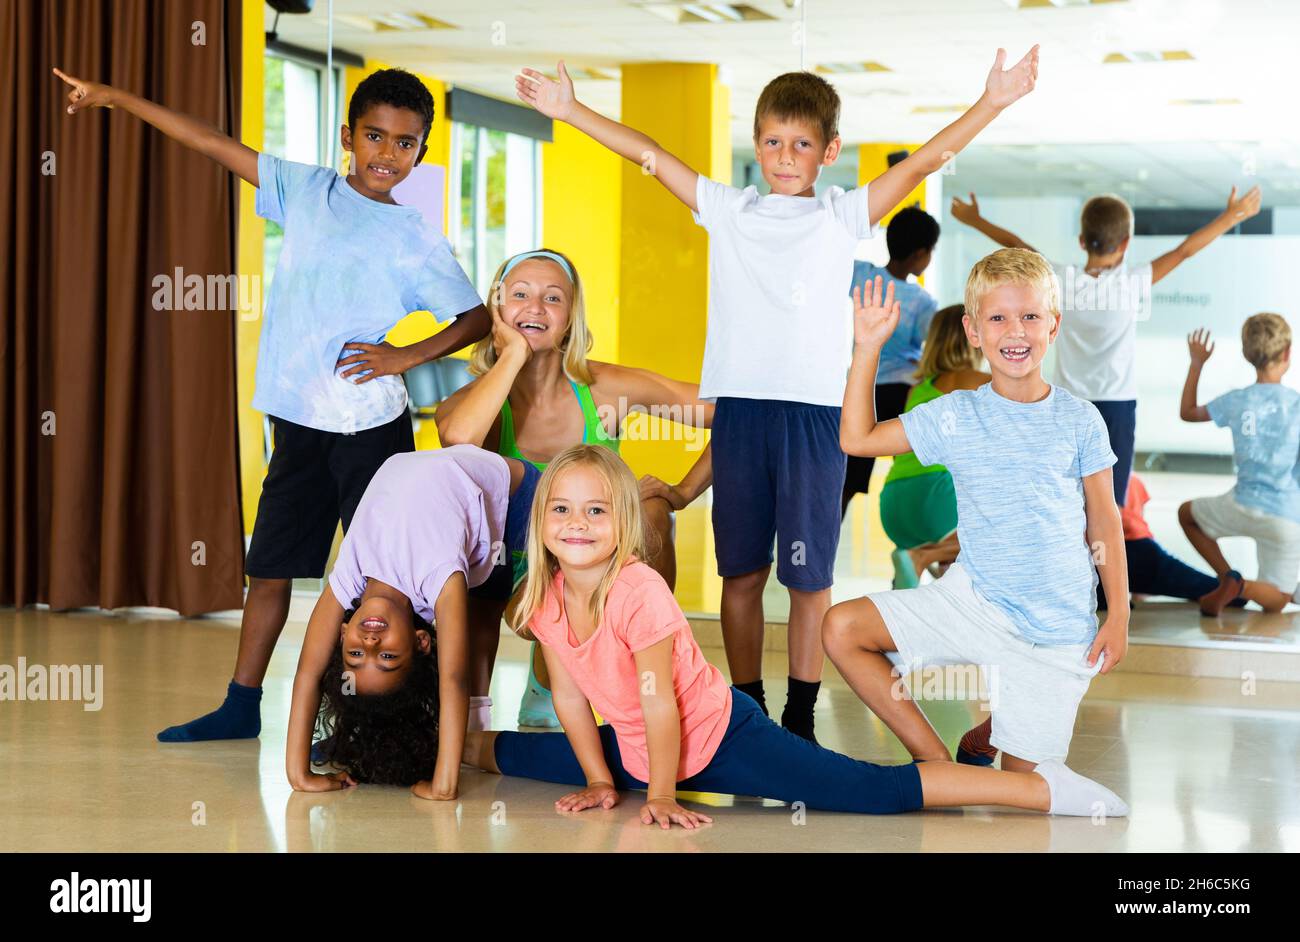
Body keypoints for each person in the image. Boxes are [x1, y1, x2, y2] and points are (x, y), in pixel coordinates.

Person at [515, 47, 1039, 741]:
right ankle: (747, 705)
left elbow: (921, 164)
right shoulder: (729, 210)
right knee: (741, 574)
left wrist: (992, 102)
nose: (784, 156)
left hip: (817, 419)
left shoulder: (841, 216)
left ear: (829, 151)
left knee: (808, 580)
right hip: (743, 415)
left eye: (800, 144)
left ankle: (798, 713)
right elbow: (649, 153)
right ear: (756, 143)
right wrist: (570, 110)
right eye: (771, 142)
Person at [53, 65, 492, 743]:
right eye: (374, 136)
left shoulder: (417, 239)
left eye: (405, 143)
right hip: (298, 422)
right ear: (347, 136)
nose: (386, 154)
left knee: (388, 578)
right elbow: (207, 141)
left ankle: (402, 719)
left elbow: (475, 319)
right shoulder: (305, 190)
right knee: (273, 568)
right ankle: (240, 707)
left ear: (422, 153)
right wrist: (115, 98)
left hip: (369, 427)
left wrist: (403, 357)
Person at [447, 444, 1127, 826]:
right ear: (540, 524)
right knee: (519, 756)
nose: (576, 523)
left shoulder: (638, 593)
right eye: (561, 509)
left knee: (871, 793)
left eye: (595, 510)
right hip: (634, 747)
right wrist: (601, 780)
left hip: (715, 737)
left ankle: (1044, 790)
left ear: (622, 526)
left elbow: (661, 702)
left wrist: (657, 795)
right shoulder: (545, 598)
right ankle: (424, 742)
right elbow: (569, 700)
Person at [824, 249, 1128, 775]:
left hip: (1054, 632)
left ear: (1052, 326)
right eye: (998, 318)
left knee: (1023, 794)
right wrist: (867, 349)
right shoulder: (955, 415)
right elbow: (857, 438)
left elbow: (1104, 520)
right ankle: (935, 761)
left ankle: (988, 733)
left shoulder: (1082, 420)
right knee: (840, 628)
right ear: (972, 330)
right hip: (974, 602)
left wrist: (1119, 612)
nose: (1016, 331)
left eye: (1030, 316)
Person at [435, 248, 714, 727]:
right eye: (518, 296)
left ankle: (641, 676)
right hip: (513, 579)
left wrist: (685, 491)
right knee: (478, 546)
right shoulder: (472, 405)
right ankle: (517, 694)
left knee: (649, 511)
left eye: (553, 298)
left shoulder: (606, 391)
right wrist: (514, 354)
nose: (535, 308)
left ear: (570, 318)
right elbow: (457, 438)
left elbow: (735, 416)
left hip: (599, 572)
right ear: (496, 310)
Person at [951, 185, 1263, 505]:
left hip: (1067, 402)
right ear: (1126, 243)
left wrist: (976, 220)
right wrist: (1231, 216)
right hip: (1117, 406)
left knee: (1066, 498)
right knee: (1109, 504)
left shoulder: (1061, 279)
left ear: (1082, 242)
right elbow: (1184, 251)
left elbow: (1018, 246)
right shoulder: (1131, 284)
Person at [286, 446, 540, 797]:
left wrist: (298, 774)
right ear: (422, 641)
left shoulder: (350, 575)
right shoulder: (437, 575)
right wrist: (444, 783)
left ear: (342, 634)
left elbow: (308, 672)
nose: (370, 645)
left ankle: (472, 730)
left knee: (486, 601)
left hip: (487, 515)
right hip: (518, 501)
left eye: (355, 656)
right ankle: (475, 734)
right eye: (388, 658)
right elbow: (453, 677)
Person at [1178, 318, 1300, 615]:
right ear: (1287, 354)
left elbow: (1189, 413)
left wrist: (1196, 363)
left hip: (1240, 504)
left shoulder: (1237, 400)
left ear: (1247, 354)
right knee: (1280, 598)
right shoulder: (1296, 405)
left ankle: (1227, 577)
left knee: (1187, 515)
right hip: (1284, 516)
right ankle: (1241, 586)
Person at [877, 305, 988, 588]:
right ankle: (922, 556)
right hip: (935, 498)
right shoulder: (967, 378)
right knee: (1004, 521)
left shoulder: (918, 389)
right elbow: (1023, 391)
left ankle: (907, 585)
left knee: (949, 575)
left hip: (895, 504)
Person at [842, 208, 941, 517]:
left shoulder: (863, 276)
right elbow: (934, 348)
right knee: (913, 466)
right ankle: (917, 541)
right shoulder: (923, 302)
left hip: (863, 390)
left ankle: (826, 545)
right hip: (903, 394)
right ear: (922, 253)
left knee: (847, 479)